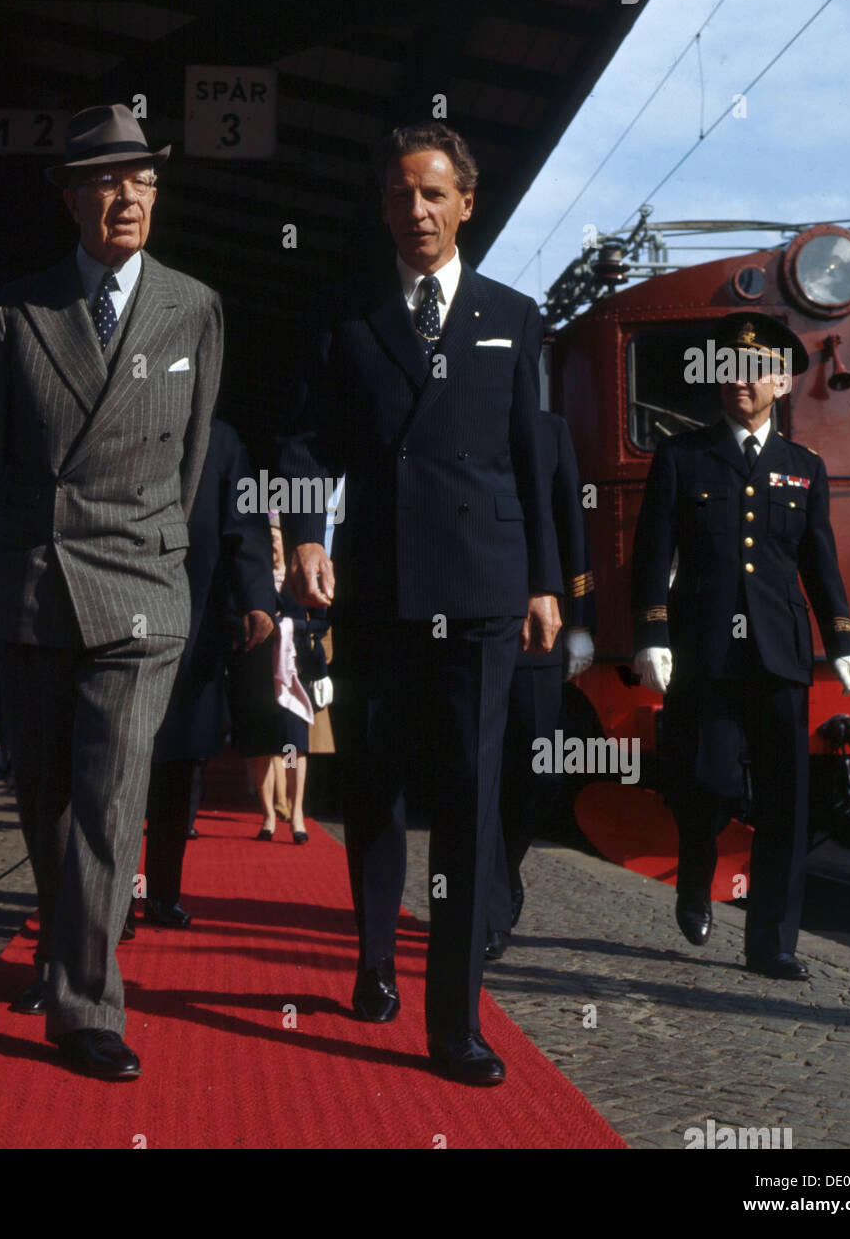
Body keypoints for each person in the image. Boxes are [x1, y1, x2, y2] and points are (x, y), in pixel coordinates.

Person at [0, 104, 222, 1081]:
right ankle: (66, 954)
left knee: (108, 796)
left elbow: (189, 461)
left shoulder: (195, 307)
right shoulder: (15, 310)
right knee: (47, 797)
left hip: (141, 584)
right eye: (106, 178)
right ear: (71, 197)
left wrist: (158, 547)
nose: (128, 194)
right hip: (33, 582)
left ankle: (88, 1005)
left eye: (143, 177)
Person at [280, 122, 561, 1085]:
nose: (415, 212)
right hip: (382, 588)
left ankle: (456, 1025)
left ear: (465, 202)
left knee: (472, 799)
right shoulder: (346, 316)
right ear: (384, 206)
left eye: (433, 195)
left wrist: (544, 581)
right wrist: (308, 532)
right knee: (375, 785)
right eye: (400, 195)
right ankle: (371, 959)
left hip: (483, 585)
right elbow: (307, 441)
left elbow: (534, 456)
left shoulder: (512, 316)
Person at [631, 312, 850, 980]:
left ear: (781, 384)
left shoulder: (803, 468)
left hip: (781, 653)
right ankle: (694, 874)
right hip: (703, 651)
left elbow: (819, 565)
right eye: (726, 367)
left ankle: (771, 944)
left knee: (785, 800)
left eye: (754, 370)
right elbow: (651, 557)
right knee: (705, 779)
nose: (736, 379)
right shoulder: (681, 458)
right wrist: (651, 633)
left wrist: (842, 639)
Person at [138, 420, 279, 934]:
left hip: (192, 630)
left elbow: (246, 528)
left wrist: (258, 599)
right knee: (112, 765)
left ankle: (162, 894)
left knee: (178, 767)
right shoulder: (124, 415)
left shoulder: (223, 442)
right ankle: (107, 899)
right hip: (117, 616)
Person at [486, 411, 596, 957]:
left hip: (538, 622)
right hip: (462, 615)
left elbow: (569, 520)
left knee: (540, 766)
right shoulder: (443, 410)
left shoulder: (549, 430)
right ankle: (485, 900)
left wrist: (581, 620)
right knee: (473, 766)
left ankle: (504, 866)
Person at [229, 516, 325, 844]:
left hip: (293, 674)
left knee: (295, 744)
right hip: (256, 671)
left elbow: (322, 619)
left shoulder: (301, 575)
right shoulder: (251, 578)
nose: (273, 543)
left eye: (277, 536)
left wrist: (293, 628)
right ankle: (269, 815)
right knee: (262, 746)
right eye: (267, 537)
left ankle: (296, 813)